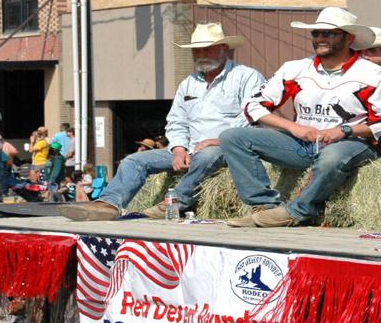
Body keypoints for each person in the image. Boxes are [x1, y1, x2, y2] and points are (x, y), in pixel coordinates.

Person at [64, 24, 267, 221]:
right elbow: (176, 120)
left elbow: (253, 115)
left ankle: (177, 202)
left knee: (207, 155)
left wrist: (217, 141)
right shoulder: (188, 83)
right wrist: (178, 148)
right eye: (197, 50)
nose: (202, 54)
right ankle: (109, 204)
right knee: (133, 161)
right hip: (190, 149)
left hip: (227, 147)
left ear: (224, 48)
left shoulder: (246, 77)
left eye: (208, 49)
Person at [219, 8, 381, 228]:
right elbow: (254, 106)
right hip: (303, 143)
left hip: (352, 143)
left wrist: (344, 130)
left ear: (349, 38)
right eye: (316, 33)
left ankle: (298, 211)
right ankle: (264, 207)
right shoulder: (294, 68)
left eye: (329, 33)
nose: (320, 38)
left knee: (332, 156)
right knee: (232, 137)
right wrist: (293, 127)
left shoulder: (374, 74)